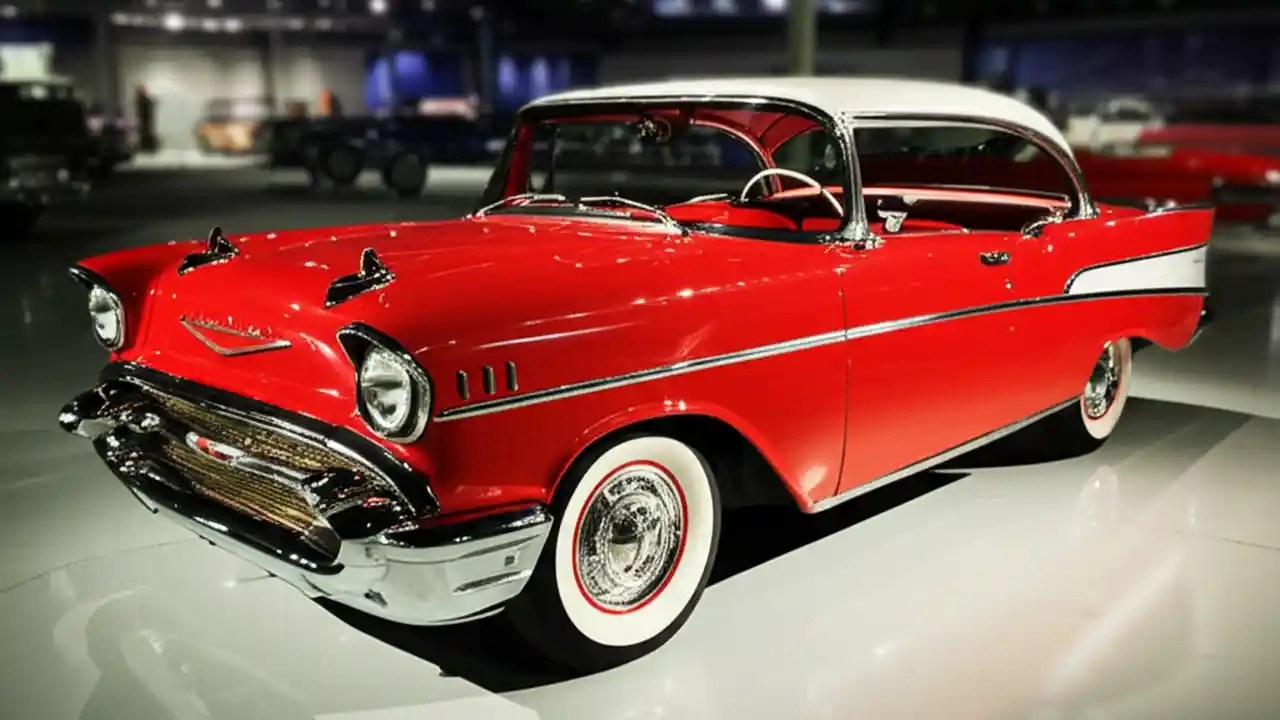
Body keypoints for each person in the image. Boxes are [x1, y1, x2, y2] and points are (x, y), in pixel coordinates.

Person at [134, 85, 157, 153]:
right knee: (143, 134)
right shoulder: (141, 100)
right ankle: (146, 148)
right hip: (143, 121)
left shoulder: (144, 100)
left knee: (146, 133)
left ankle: (147, 148)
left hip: (145, 121)